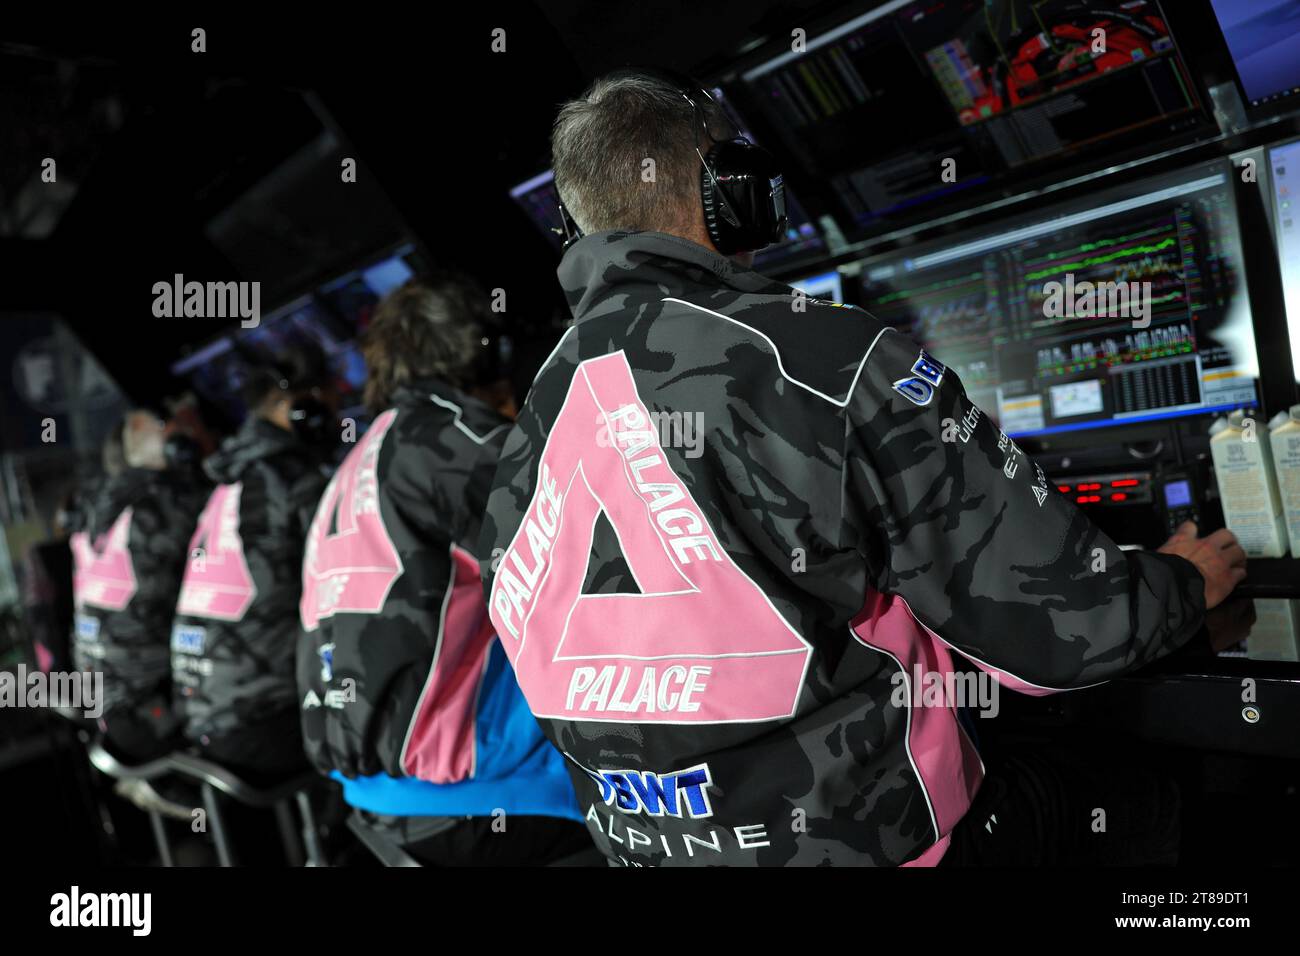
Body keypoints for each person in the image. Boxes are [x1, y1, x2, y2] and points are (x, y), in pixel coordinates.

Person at [477, 71, 1248, 866]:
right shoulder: (822, 355)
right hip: (874, 848)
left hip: (652, 853)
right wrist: (1180, 583)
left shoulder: (532, 413)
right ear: (729, 192)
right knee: (1160, 801)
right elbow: (1062, 635)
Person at [297, 275, 590, 866]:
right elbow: (601, 563)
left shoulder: (357, 458)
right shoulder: (458, 439)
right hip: (479, 797)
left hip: (375, 802)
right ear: (486, 350)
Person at [170, 351, 335, 782]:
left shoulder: (227, 482)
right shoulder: (294, 477)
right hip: (262, 722)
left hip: (203, 713)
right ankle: (347, 842)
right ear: (293, 408)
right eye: (322, 397)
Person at [71, 411, 210, 763]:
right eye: (165, 424)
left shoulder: (98, 510)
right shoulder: (167, 499)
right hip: (155, 710)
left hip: (109, 710)